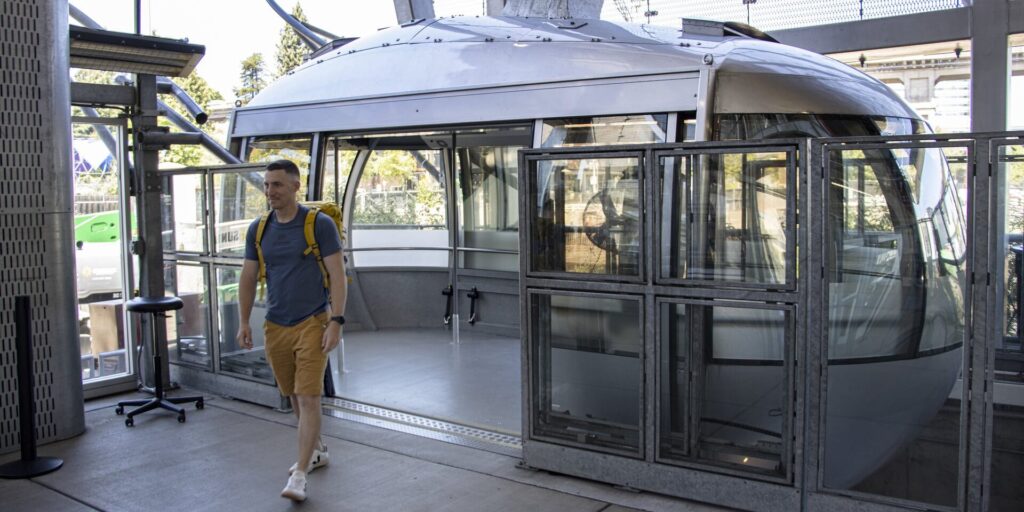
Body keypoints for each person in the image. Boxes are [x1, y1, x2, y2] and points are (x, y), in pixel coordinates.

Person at [236, 159, 347, 502]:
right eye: (268, 185)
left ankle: (300, 474)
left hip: (313, 322)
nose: (271, 191)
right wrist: (243, 321)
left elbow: (339, 275)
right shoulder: (259, 228)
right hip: (276, 325)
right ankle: (316, 449)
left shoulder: (319, 225)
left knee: (309, 396)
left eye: (278, 185)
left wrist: (336, 321)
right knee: (295, 396)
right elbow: (249, 276)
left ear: (296, 187)